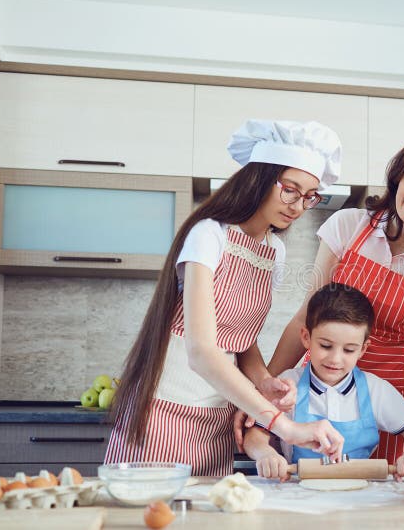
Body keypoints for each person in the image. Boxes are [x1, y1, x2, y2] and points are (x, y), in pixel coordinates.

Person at [105, 120, 345, 475]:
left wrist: (264, 381)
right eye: (290, 190)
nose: (297, 206)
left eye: (309, 196)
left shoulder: (273, 252)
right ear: (260, 179)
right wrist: (285, 426)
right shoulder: (209, 235)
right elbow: (202, 351)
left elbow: (239, 340)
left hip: (216, 420)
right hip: (161, 412)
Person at [265, 134, 404, 467]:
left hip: (392, 404)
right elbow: (303, 320)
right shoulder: (348, 227)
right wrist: (260, 397)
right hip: (318, 389)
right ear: (398, 176)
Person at [244, 283, 404, 480]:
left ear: (363, 349)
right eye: (325, 345)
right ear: (306, 338)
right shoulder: (288, 385)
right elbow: (255, 435)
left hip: (358, 495)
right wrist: (265, 454)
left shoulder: (375, 390)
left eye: (349, 350)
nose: (335, 359)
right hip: (299, 493)